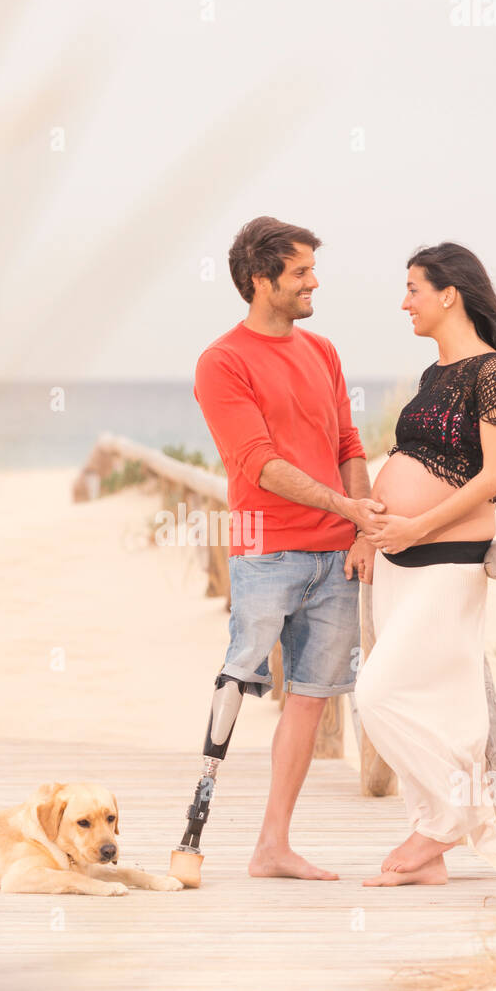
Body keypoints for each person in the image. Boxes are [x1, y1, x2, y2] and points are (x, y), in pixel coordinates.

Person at [356, 242, 496, 886]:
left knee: (376, 694)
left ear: (448, 294)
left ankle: (450, 820)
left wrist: (413, 525)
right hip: (400, 560)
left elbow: (490, 475)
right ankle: (429, 848)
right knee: (431, 699)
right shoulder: (436, 372)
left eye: (413, 289)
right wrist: (372, 531)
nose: (404, 302)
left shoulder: (490, 374)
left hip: (444, 560)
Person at [193, 216, 383, 880]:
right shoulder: (222, 362)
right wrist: (345, 507)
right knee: (241, 681)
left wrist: (358, 528)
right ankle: (198, 823)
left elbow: (347, 447)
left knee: (309, 696)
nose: (313, 281)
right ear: (260, 280)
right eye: (300, 271)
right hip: (264, 552)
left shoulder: (321, 351)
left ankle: (272, 844)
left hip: (336, 557)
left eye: (310, 269)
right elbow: (257, 463)